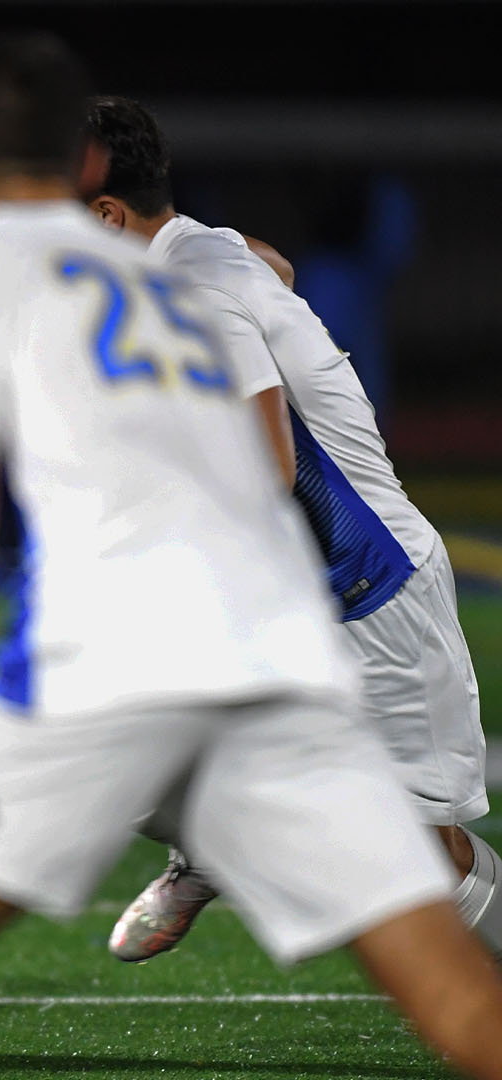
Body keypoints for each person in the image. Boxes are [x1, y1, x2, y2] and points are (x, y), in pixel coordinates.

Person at [0, 31, 502, 1080]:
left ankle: (203, 848)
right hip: (279, 646)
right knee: (451, 993)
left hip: (145, 643)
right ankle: (207, 849)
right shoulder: (171, 273)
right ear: (81, 168)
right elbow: (260, 279)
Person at [84, 94, 495, 963]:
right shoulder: (198, 247)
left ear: (105, 214)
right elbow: (270, 266)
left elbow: (267, 473)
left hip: (369, 589)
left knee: (423, 853)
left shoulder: (189, 290)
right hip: (286, 586)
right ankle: (215, 841)